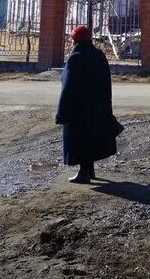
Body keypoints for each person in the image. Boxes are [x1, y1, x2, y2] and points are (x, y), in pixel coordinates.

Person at [55, 24, 123, 183]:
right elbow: (106, 82)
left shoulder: (75, 58)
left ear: (76, 40)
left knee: (80, 138)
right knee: (91, 136)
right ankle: (89, 169)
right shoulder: (99, 55)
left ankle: (84, 173)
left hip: (79, 107)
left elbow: (68, 86)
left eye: (72, 39)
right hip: (98, 105)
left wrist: (62, 111)